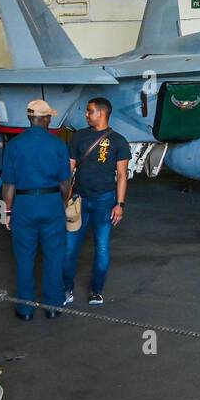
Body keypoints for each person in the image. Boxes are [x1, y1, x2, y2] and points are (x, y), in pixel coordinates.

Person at [1, 100, 71, 320]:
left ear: (29, 118)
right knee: (54, 256)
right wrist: (62, 203)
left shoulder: (14, 145)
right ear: (46, 119)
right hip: (51, 202)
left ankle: (25, 309)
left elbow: (8, 184)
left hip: (23, 204)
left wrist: (9, 211)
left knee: (24, 257)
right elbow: (65, 182)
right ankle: (52, 306)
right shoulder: (58, 144)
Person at [63, 98, 131, 306]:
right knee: (69, 248)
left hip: (105, 201)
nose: (86, 114)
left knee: (102, 249)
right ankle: (66, 290)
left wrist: (120, 204)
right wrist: (65, 198)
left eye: (89, 111)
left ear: (101, 113)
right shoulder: (79, 137)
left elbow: (121, 175)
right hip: (79, 201)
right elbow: (69, 169)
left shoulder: (119, 141)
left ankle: (96, 291)